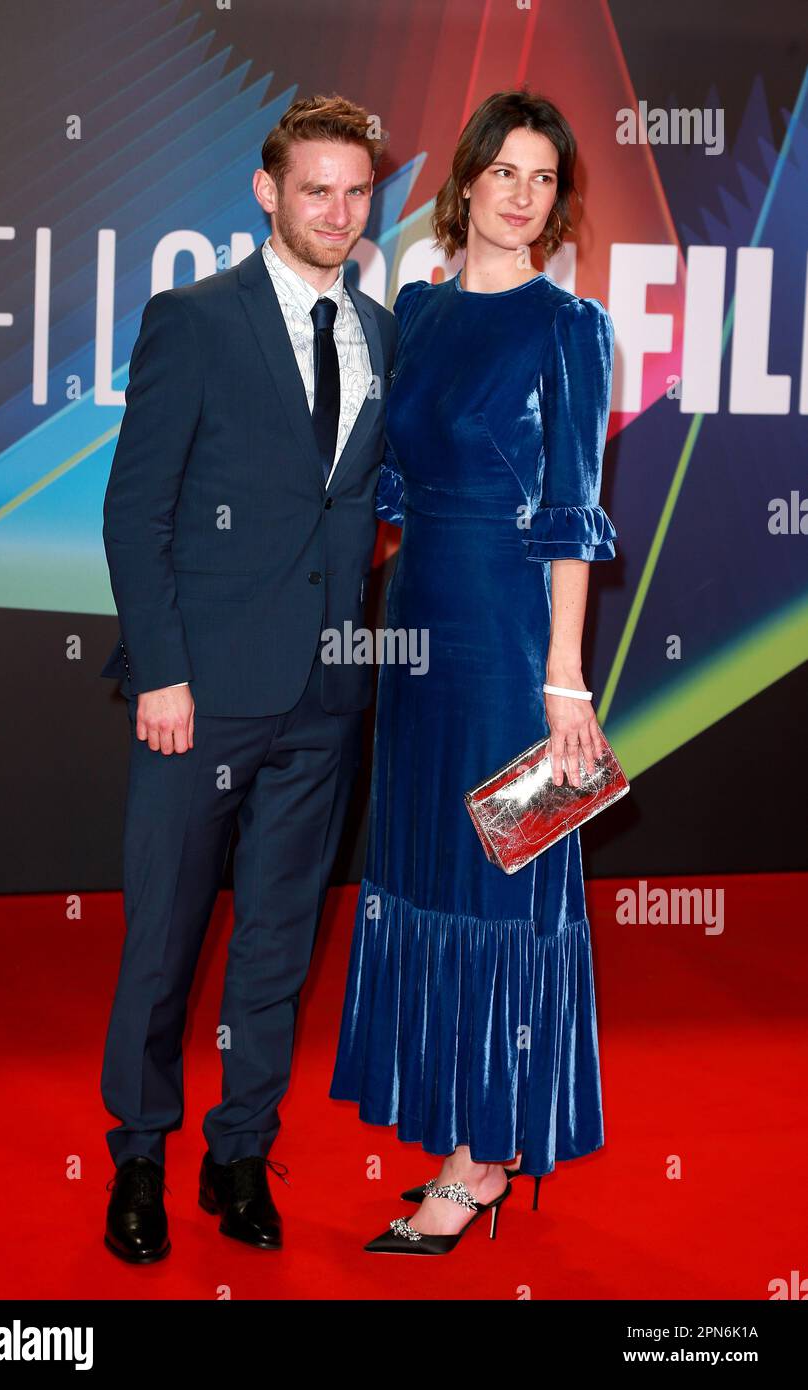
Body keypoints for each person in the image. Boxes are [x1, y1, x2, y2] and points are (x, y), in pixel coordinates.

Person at [99, 94, 396, 1262]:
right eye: (313, 188)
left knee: (278, 940)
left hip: (326, 694)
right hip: (201, 693)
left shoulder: (382, 331)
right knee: (163, 939)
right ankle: (136, 1156)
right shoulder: (194, 319)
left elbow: (360, 503)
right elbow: (136, 508)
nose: (335, 210)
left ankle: (237, 1157)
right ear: (265, 192)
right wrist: (161, 674)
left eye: (356, 191)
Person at [329, 87, 619, 1256]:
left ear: (557, 201)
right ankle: (458, 1118)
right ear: (464, 182)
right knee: (427, 867)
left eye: (543, 179)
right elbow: (385, 488)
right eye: (503, 171)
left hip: (510, 640)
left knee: (506, 876)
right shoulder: (421, 310)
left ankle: (485, 1155)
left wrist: (564, 682)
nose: (521, 195)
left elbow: (571, 517)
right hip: (418, 633)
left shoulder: (570, 325)